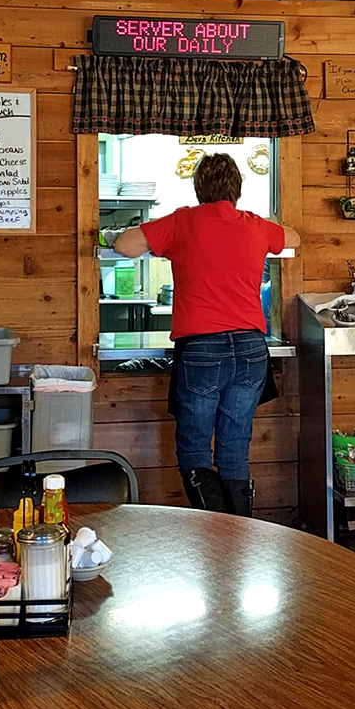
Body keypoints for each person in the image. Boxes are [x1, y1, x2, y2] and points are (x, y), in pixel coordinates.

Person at [114, 153, 300, 516]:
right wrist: (264, 227)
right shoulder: (253, 224)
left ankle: (213, 535)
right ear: (238, 189)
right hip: (250, 347)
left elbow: (124, 245)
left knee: (195, 449)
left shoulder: (183, 221)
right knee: (234, 449)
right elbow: (293, 239)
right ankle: (239, 536)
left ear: (199, 187)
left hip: (202, 348)